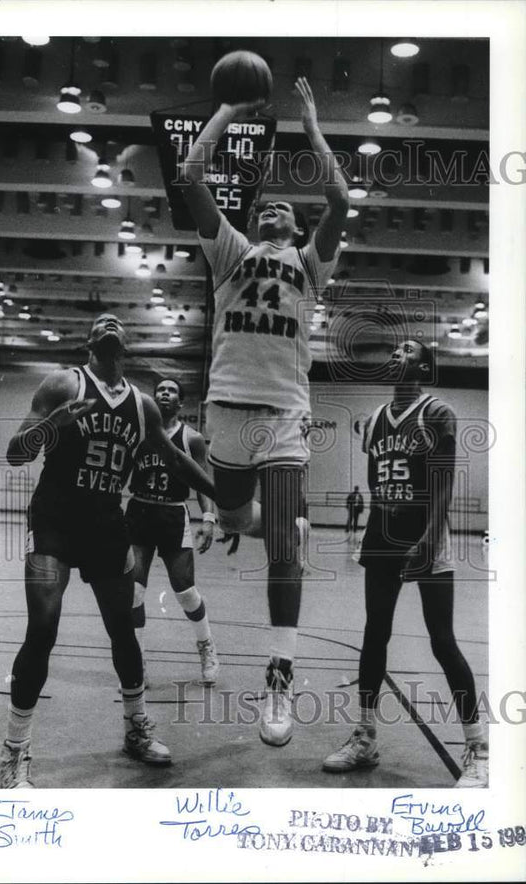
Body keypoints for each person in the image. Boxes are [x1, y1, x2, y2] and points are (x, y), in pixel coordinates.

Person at [180, 77, 348, 746]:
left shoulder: (309, 265)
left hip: (282, 413)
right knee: (233, 517)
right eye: (263, 207)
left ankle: (278, 676)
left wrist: (310, 127)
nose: (270, 207)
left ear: (296, 228)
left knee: (280, 544)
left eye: (282, 206)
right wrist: (226, 109)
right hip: (226, 411)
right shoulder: (229, 254)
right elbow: (191, 172)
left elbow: (340, 197)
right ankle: (280, 526)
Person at [0, 314, 214, 787]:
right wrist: (50, 427)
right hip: (55, 521)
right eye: (102, 322)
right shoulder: (64, 383)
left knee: (123, 631)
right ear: (90, 342)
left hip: (106, 526)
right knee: (43, 630)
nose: (111, 322)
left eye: (119, 322)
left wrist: (223, 499)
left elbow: (178, 460)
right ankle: (16, 752)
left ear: (127, 344)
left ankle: (136, 727)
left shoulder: (142, 405)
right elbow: (16, 453)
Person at [322, 340, 488, 787]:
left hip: (426, 534)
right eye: (395, 349)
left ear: (424, 366)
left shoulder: (437, 413)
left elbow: (442, 482)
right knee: (374, 634)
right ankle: (365, 737)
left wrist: (429, 540)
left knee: (442, 641)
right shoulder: (375, 419)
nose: (397, 353)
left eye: (408, 350)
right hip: (382, 534)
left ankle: (478, 747)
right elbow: (379, 481)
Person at [127, 377, 219, 684]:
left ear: (180, 403)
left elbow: (201, 480)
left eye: (172, 391)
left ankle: (206, 644)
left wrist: (208, 517)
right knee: (133, 591)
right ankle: (135, 659)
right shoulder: (138, 434)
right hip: (139, 512)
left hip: (172, 514)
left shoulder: (191, 438)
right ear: (153, 400)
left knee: (185, 591)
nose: (165, 393)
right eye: (160, 390)